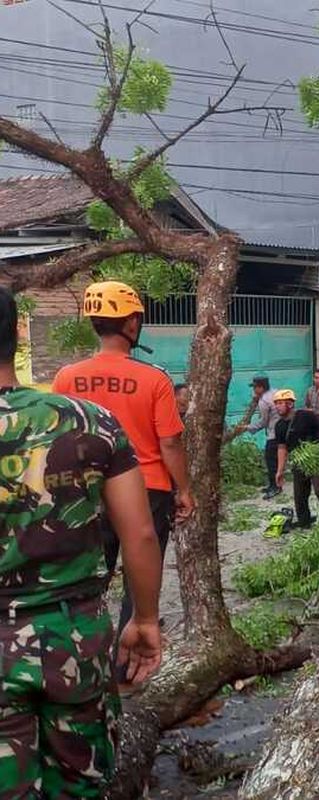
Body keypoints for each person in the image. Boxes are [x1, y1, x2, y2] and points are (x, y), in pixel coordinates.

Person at [0, 285, 164, 797]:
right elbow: (138, 531)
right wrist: (145, 620)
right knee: (82, 786)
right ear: (19, 333)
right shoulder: (89, 421)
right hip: (76, 640)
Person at [51, 280, 193, 683]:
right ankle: (129, 671)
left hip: (86, 492)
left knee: (87, 580)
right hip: (147, 491)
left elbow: (61, 440)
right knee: (139, 584)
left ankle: (79, 667)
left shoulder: (66, 378)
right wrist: (185, 489)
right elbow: (169, 442)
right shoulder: (155, 380)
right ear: (132, 324)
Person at [273, 389, 319, 529]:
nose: (277, 406)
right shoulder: (279, 426)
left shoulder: (306, 415)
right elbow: (282, 448)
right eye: (276, 403)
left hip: (317, 458)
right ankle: (304, 523)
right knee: (300, 496)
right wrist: (279, 471)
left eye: (281, 403)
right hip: (299, 462)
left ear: (290, 404)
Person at [234, 375, 281, 499]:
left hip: (274, 433)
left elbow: (263, 422)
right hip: (283, 430)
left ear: (261, 387)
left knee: (271, 461)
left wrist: (247, 427)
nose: (254, 390)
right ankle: (273, 485)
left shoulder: (264, 401)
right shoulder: (275, 392)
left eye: (255, 387)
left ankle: (275, 487)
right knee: (276, 460)